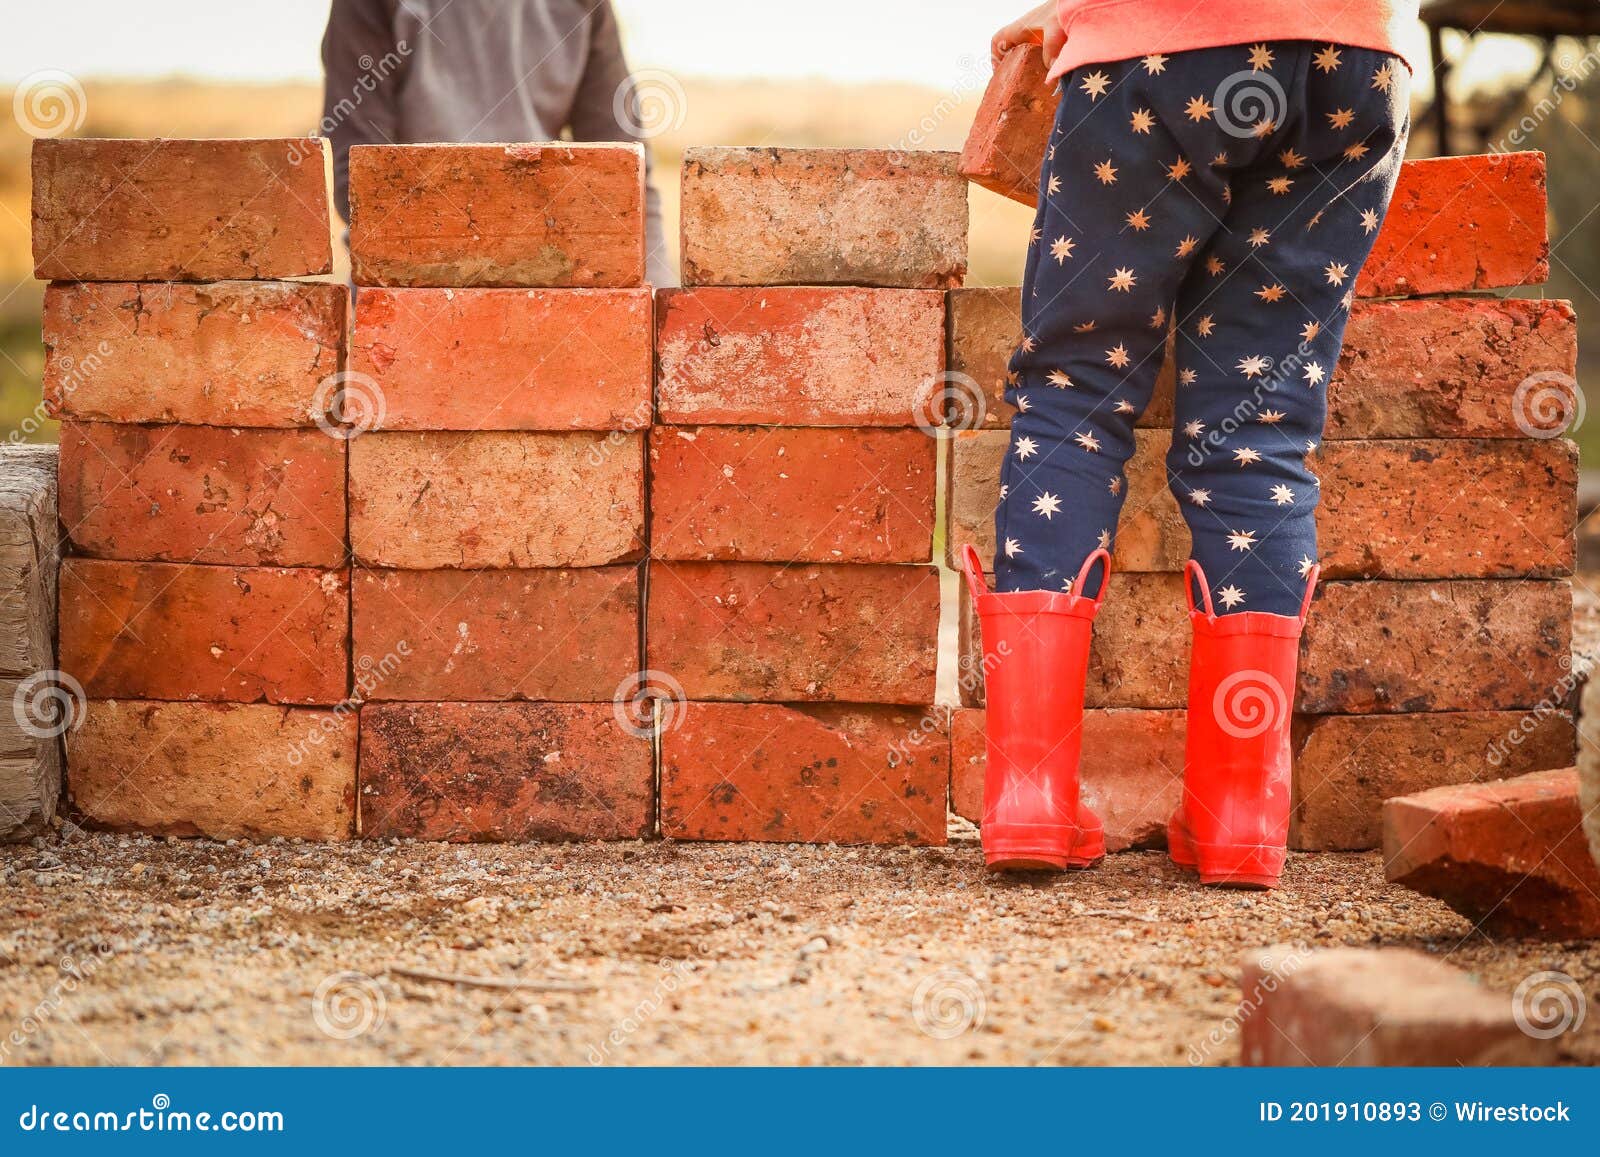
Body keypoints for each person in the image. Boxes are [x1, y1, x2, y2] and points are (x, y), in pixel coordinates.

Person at [967, 0, 1419, 887]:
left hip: (1155, 55)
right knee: (1262, 427)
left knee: (1075, 391)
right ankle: (1240, 816)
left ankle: (1030, 798)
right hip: (1354, 63)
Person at [319, 0, 673, 285]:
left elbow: (627, 175)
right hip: (406, 284)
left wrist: (654, 307)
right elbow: (360, 177)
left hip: (544, 282)